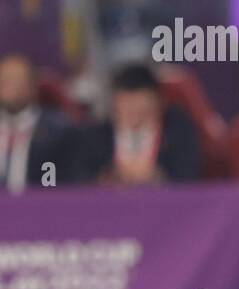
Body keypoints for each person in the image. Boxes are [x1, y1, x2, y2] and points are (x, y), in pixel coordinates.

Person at [79, 63, 201, 185]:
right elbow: (79, 179)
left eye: (140, 106)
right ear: (114, 106)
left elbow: (188, 176)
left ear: (158, 103)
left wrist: (158, 177)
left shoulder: (177, 132)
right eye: (126, 104)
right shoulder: (96, 137)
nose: (133, 109)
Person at [0, 53, 81, 194]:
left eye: (18, 80)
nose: (12, 88)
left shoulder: (59, 131)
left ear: (33, 85)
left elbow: (60, 183)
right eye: (6, 80)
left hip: (39, 209)